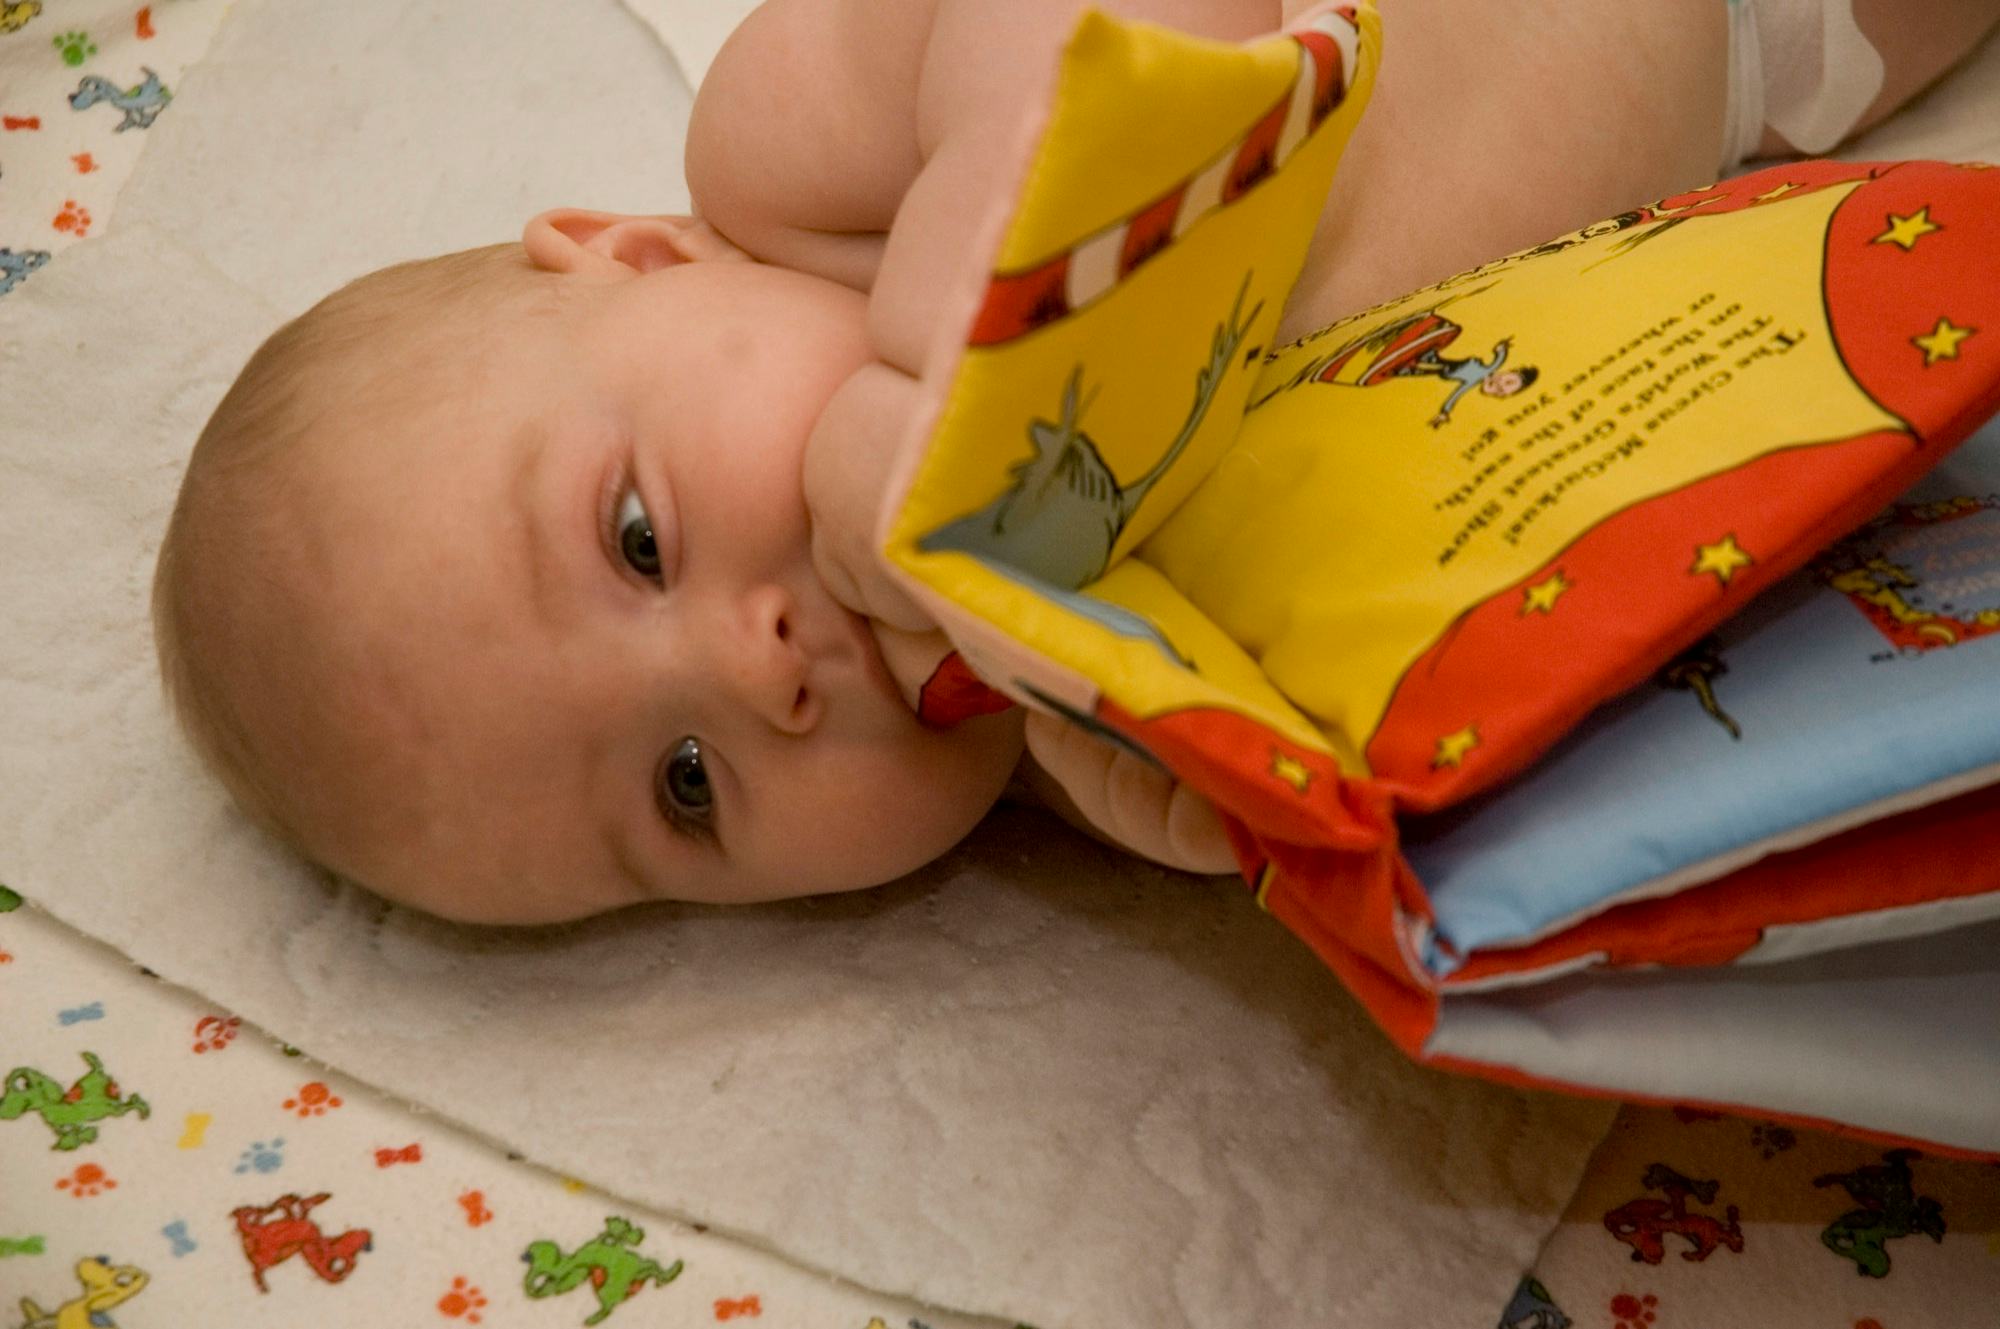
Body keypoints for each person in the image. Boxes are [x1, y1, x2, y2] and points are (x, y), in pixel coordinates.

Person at [150, 0, 1997, 924]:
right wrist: (1195, 785)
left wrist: (947, 373)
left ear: (630, 255)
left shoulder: (788, 168)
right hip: (1789, 81)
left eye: (637, 539)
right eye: (689, 791)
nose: (756, 665)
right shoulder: (1022, 687)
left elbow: (1110, 43)